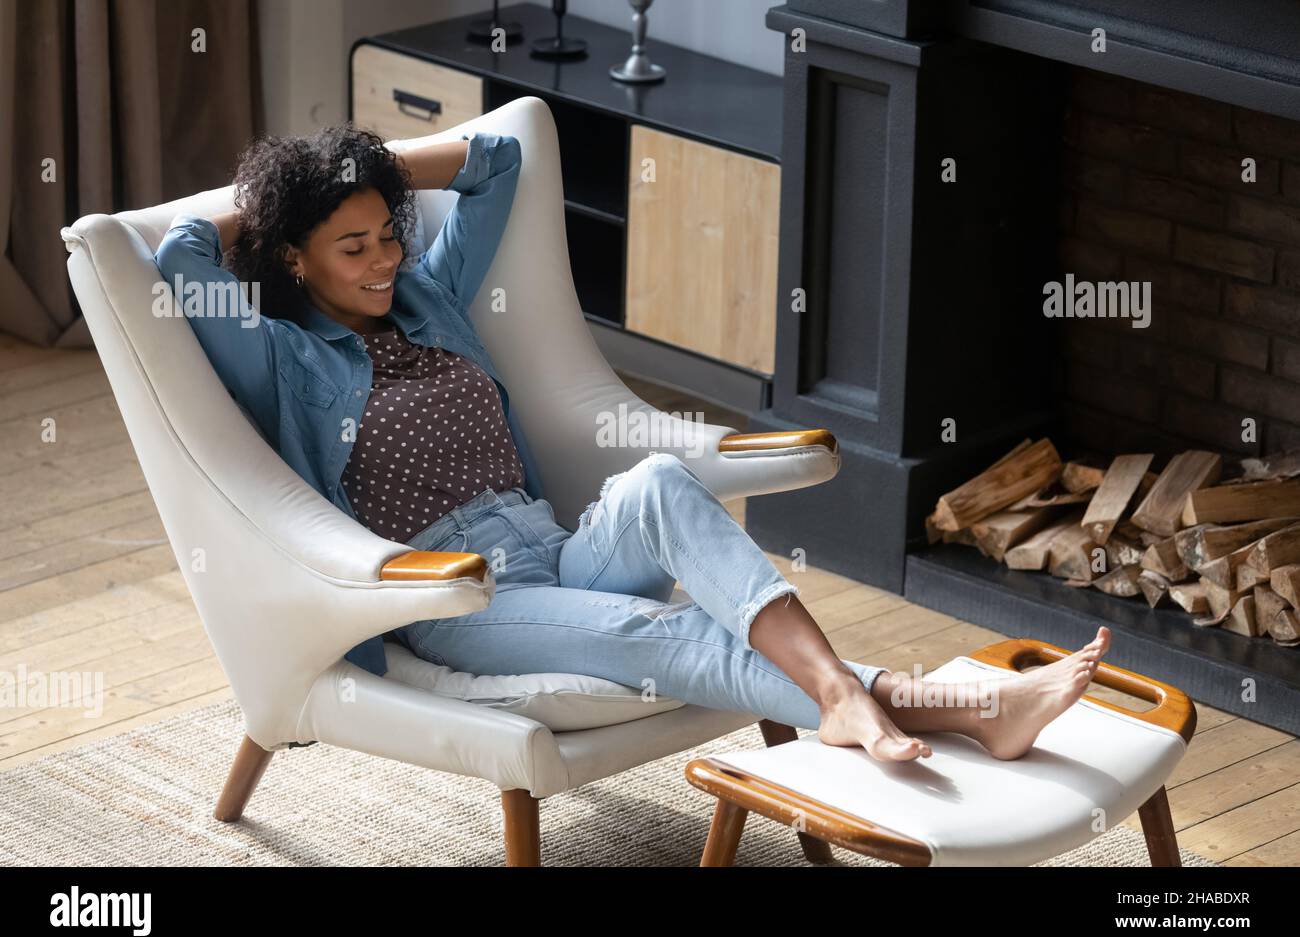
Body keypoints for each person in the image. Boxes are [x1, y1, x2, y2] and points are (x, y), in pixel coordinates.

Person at [155, 122, 1112, 763]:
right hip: (456, 592)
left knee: (656, 479)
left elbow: (495, 161)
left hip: (554, 545)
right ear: (294, 258)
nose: (382, 261)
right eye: (350, 247)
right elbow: (178, 256)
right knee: (654, 632)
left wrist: (362, 178)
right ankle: (951, 707)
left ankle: (848, 700)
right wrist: (281, 205)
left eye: (385, 234)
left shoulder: (429, 299)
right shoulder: (282, 357)